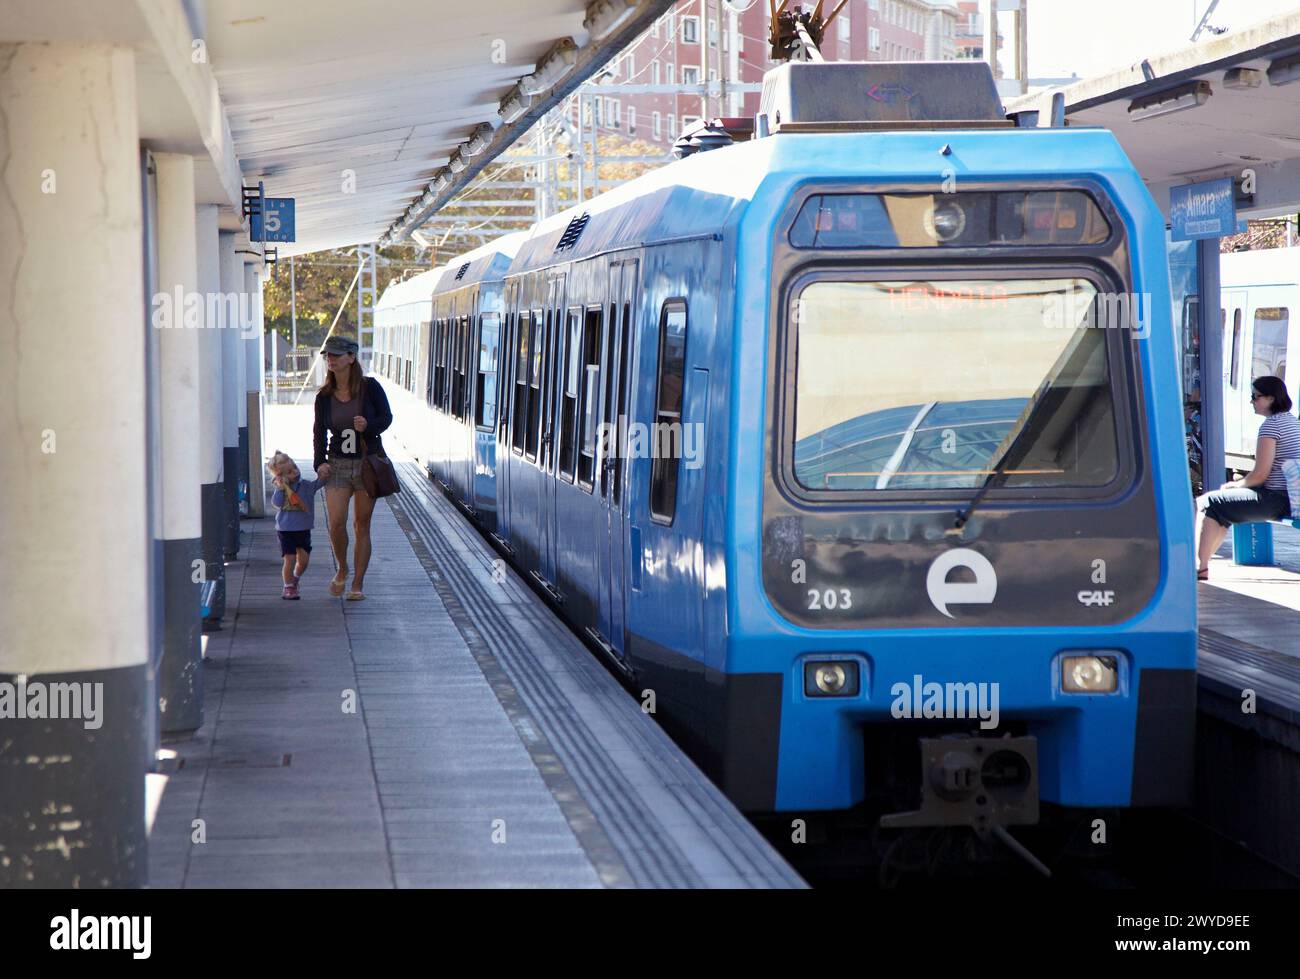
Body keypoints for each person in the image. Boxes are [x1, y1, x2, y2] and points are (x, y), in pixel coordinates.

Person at [313, 335, 393, 601]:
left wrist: (368, 426)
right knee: (336, 523)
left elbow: (386, 417)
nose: (331, 359)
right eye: (328, 355)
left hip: (366, 466)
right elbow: (318, 432)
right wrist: (319, 462)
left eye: (336, 354)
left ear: (351, 357)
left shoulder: (371, 388)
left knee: (362, 524)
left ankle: (357, 583)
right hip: (336, 464)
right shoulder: (324, 396)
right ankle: (343, 568)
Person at [1196, 375, 1300, 580]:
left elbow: (1260, 475)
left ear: (1270, 399)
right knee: (1222, 509)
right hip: (1290, 498)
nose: (1251, 401)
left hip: (1276, 499)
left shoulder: (1271, 427)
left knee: (1209, 501)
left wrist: (1234, 485)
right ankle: (1202, 565)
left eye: (1255, 396)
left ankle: (1200, 566)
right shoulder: (1292, 422)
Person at [266, 451, 324, 600]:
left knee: (303, 561)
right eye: (290, 472)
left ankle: (295, 578)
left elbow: (319, 483)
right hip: (286, 529)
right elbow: (277, 503)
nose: (295, 472)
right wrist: (280, 487)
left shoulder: (305, 485)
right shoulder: (282, 489)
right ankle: (288, 586)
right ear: (282, 476)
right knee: (289, 558)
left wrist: (327, 472)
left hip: (303, 528)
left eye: (295, 468)